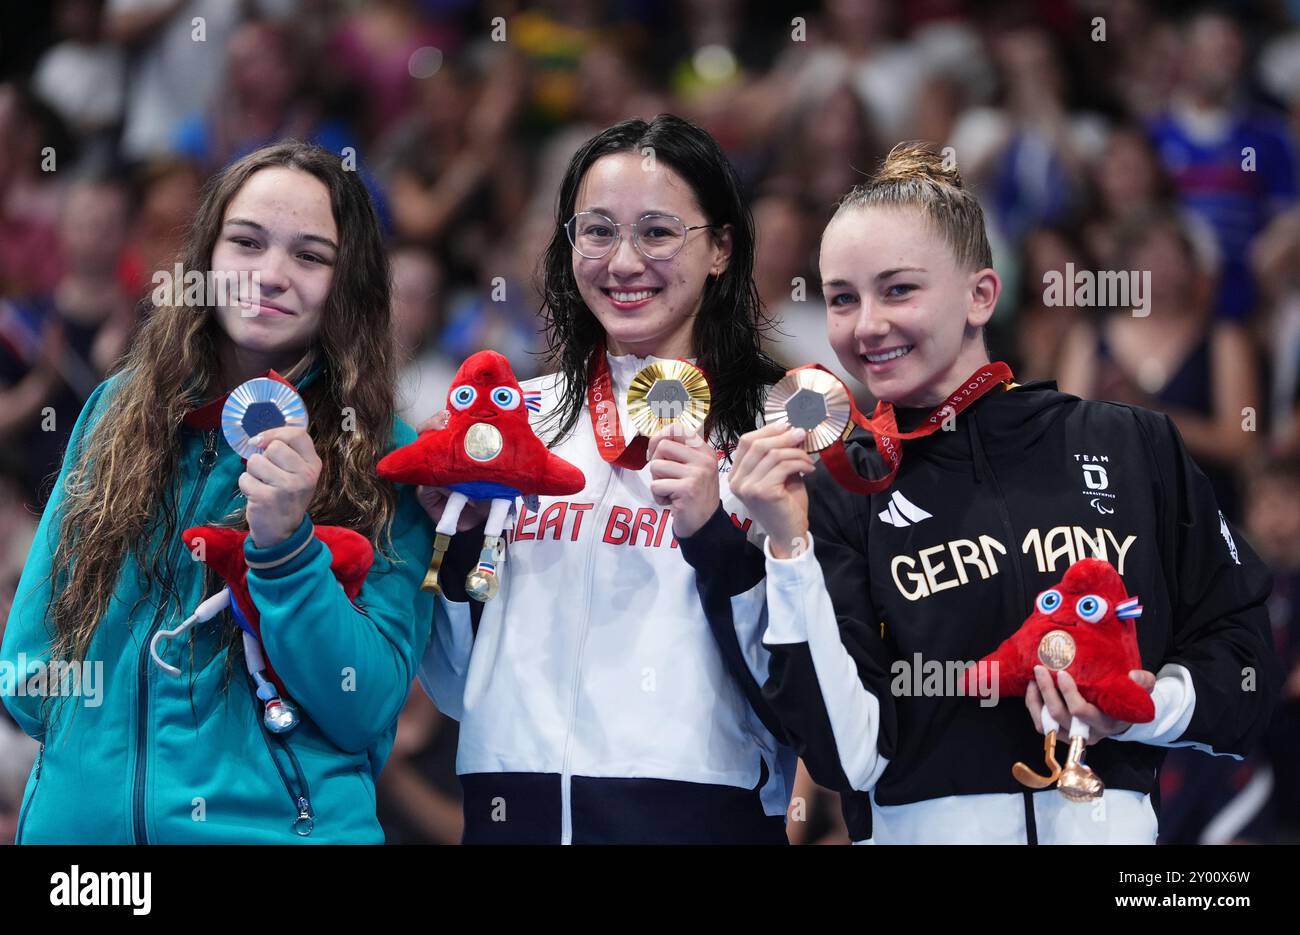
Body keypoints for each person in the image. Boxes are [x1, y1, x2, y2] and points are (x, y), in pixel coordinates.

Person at [725, 143, 1281, 844]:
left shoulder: (1133, 446)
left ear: (981, 295)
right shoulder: (839, 487)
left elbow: (1245, 662)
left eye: (899, 289)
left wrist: (1144, 701)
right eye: (842, 298)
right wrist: (789, 547)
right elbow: (849, 755)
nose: (866, 325)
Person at [1, 141, 436, 843]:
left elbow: (367, 704)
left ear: (348, 283)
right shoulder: (121, 408)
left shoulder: (387, 457)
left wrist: (289, 551)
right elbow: (28, 655)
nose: (269, 275)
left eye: (311, 256)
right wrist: (82, 748)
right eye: (247, 242)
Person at [417, 114, 794, 844]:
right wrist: (459, 540)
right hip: (509, 806)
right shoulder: (512, 422)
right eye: (596, 231)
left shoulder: (774, 428)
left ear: (720, 247)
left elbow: (795, 684)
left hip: (697, 814)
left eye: (657, 232)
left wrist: (715, 536)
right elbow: (459, 679)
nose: (623, 262)